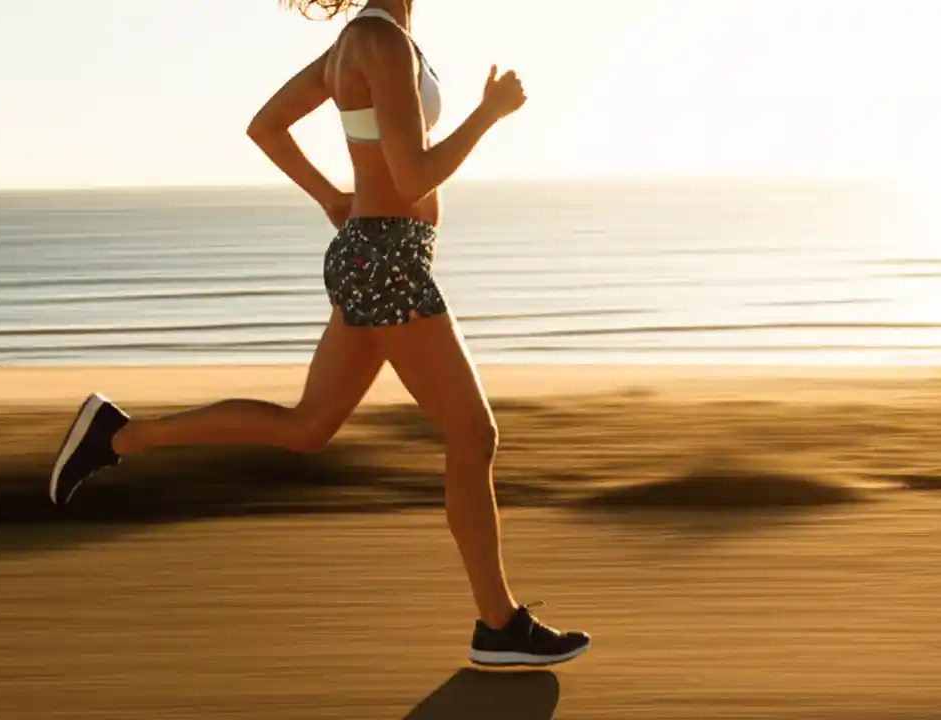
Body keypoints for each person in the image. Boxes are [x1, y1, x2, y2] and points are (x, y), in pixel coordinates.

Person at [49, 0, 589, 667]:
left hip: (381, 252)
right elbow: (412, 173)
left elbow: (267, 127)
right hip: (387, 259)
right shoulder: (376, 41)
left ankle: (118, 435)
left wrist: (334, 200)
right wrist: (487, 113)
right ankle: (498, 624)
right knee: (473, 435)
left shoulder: (365, 42)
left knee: (307, 427)